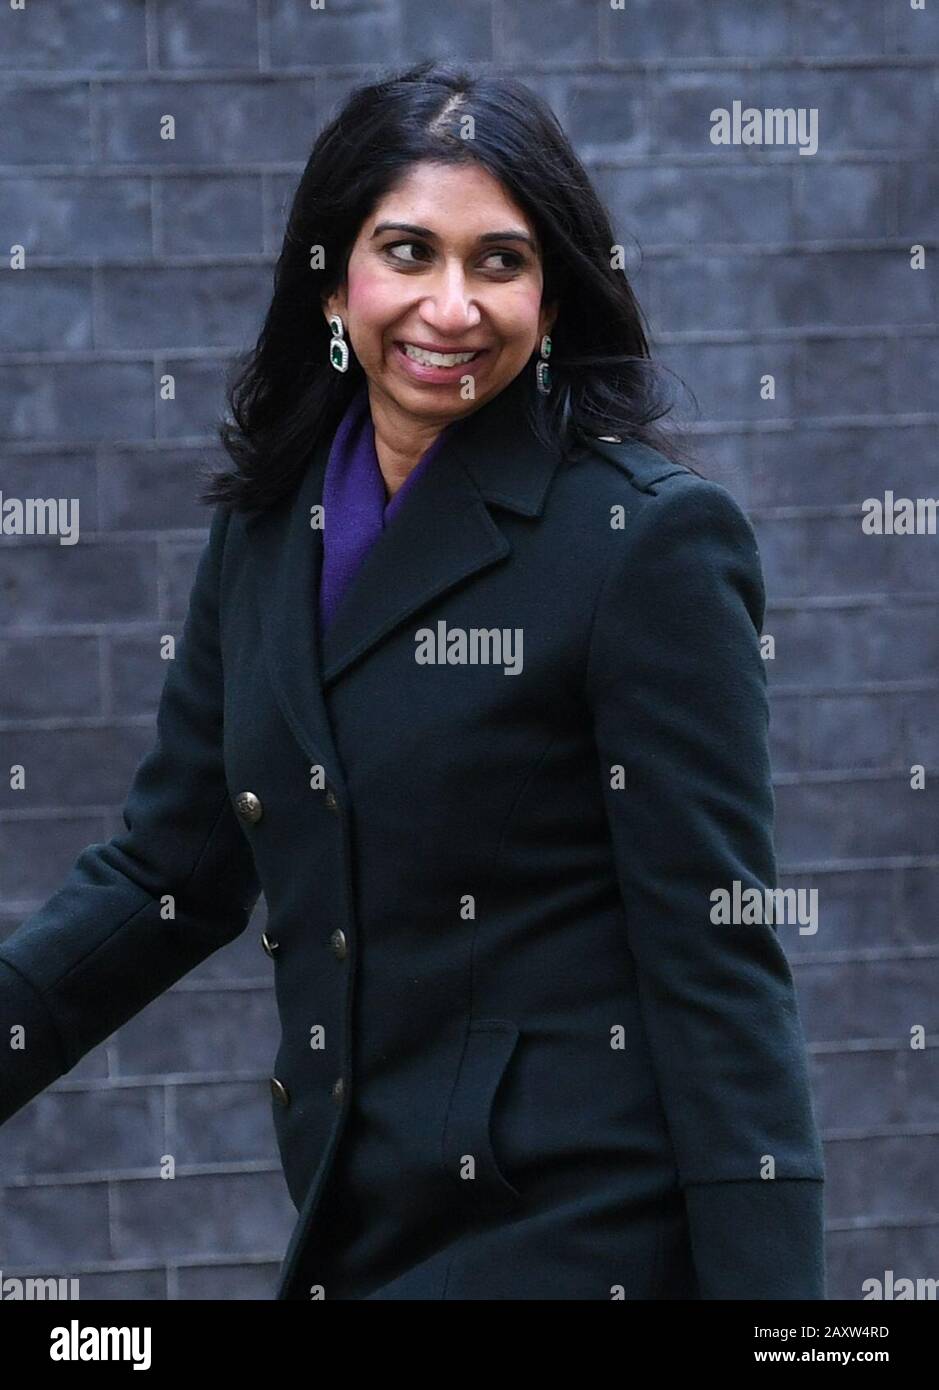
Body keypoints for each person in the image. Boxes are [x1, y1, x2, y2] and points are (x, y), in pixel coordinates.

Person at [0, 60, 825, 1300]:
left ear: (553, 297)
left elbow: (719, 959)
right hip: (357, 1224)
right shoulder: (270, 529)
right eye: (409, 252)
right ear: (335, 281)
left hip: (577, 1233)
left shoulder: (644, 543)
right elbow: (170, 871)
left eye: (501, 260)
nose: (453, 305)